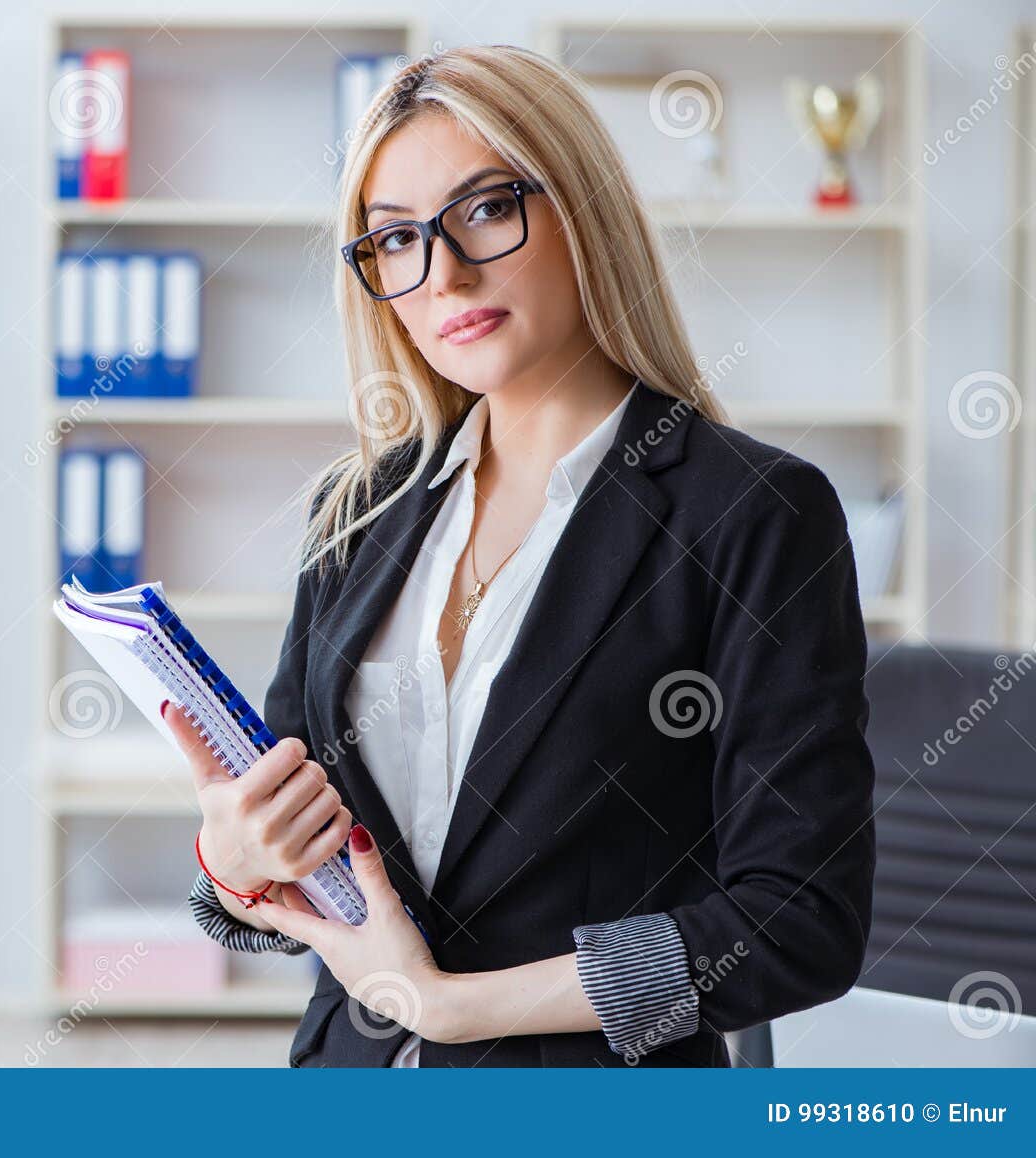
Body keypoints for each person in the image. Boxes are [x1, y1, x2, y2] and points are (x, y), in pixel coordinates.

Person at [168, 44, 876, 1067]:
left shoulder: (753, 514)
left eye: (486, 210)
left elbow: (800, 919)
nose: (444, 273)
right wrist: (230, 865)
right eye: (396, 240)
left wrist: (457, 1007)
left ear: (580, 205)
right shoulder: (360, 510)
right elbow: (290, 867)